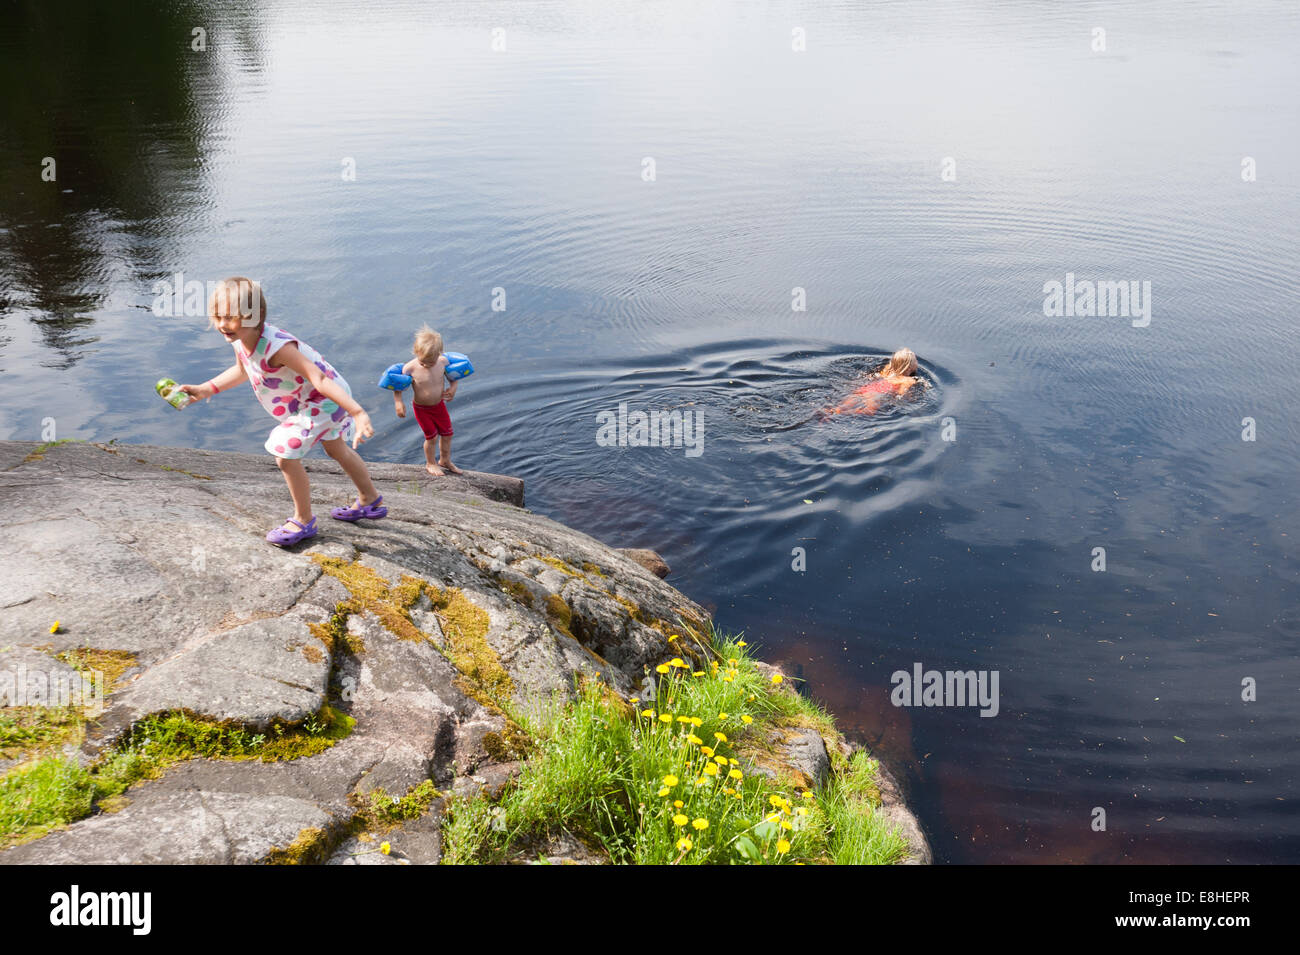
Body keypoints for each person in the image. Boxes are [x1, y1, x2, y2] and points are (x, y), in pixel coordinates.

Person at [178, 277, 386, 546]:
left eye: (231, 317)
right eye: (217, 316)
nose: (221, 325)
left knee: (284, 453)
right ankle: (370, 499)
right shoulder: (242, 339)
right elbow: (243, 369)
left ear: (256, 316)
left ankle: (303, 520)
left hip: (323, 398)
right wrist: (207, 388)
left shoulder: (279, 347)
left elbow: (320, 379)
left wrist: (357, 412)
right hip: (310, 402)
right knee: (336, 450)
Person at [392, 325, 461, 476]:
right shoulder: (410, 368)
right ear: (416, 352)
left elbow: (453, 378)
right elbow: (398, 387)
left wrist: (453, 388)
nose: (426, 365)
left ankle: (445, 460)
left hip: (439, 406)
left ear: (439, 353)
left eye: (430, 362)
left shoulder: (443, 362)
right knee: (431, 437)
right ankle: (430, 463)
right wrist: (399, 402)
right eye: (423, 361)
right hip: (422, 409)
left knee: (448, 434)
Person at [818, 348, 923, 418]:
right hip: (876, 395)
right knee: (869, 413)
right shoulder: (908, 380)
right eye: (916, 361)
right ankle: (840, 413)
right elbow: (901, 395)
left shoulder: (887, 369)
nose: (917, 362)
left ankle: (831, 411)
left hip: (866, 388)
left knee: (840, 406)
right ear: (910, 367)